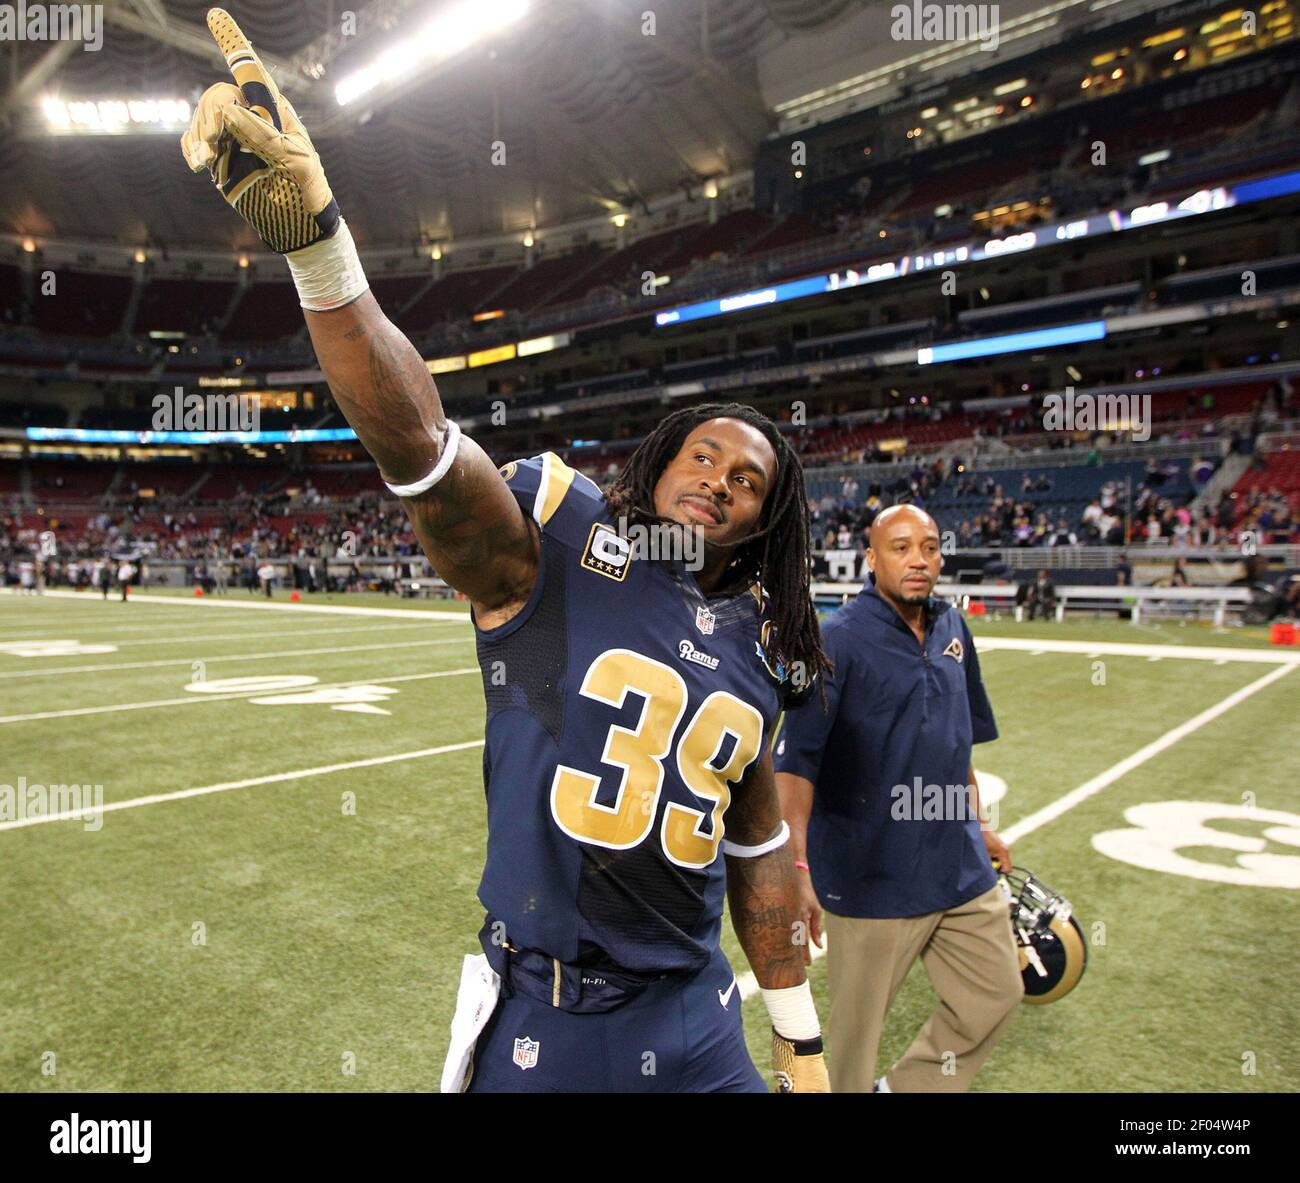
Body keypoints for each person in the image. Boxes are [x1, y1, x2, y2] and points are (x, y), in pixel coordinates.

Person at [181, 15, 832, 1095]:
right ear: (659, 464)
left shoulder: (761, 646)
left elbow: (760, 853)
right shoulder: (563, 546)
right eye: (701, 453)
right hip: (551, 1020)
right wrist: (320, 250)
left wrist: (800, 1043)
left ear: (763, 523)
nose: (716, 476)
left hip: (701, 1018)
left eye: (746, 478)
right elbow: (420, 449)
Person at [774, 504, 1022, 1093]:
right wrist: (797, 868)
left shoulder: (953, 628)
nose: (918, 559)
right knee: (853, 1047)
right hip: (872, 877)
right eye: (901, 547)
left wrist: (978, 823)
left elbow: (956, 740)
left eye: (930, 547)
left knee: (997, 992)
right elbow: (796, 766)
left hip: (956, 862)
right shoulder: (835, 640)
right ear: (871, 559)